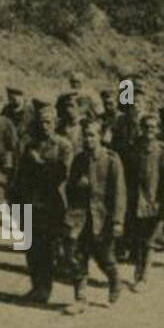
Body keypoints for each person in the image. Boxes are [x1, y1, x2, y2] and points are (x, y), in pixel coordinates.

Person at [11, 100, 73, 302]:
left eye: (48, 122)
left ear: (55, 123)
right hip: (30, 201)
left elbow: (61, 175)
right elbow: (21, 175)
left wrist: (39, 163)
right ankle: (36, 286)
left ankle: (45, 288)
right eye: (41, 122)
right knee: (31, 247)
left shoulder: (63, 146)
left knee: (46, 248)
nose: (44, 126)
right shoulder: (30, 144)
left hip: (51, 203)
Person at [63, 119, 125, 314]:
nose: (88, 139)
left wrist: (117, 221)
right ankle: (80, 298)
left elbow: (119, 193)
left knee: (104, 257)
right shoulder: (79, 159)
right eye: (85, 135)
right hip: (81, 217)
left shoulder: (111, 160)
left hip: (102, 218)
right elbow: (70, 189)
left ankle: (115, 281)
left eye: (92, 135)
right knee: (77, 256)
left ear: (100, 136)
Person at [122, 113, 164, 290]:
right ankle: (138, 274)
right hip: (135, 203)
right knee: (137, 241)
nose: (148, 131)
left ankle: (143, 277)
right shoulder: (132, 148)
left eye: (152, 127)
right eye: (146, 127)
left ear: (157, 129)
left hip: (154, 203)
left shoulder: (162, 151)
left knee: (148, 241)